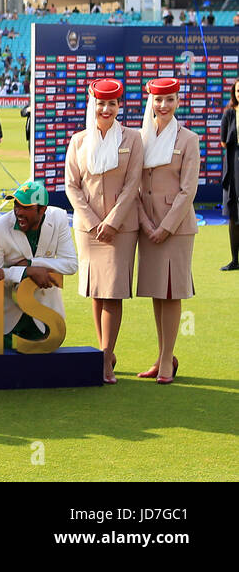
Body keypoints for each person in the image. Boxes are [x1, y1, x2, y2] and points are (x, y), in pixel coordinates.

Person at [65, 79, 143, 384]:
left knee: (113, 293)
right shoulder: (79, 141)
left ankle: (105, 358)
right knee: (96, 292)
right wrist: (93, 221)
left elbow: (132, 184)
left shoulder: (133, 138)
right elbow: (72, 186)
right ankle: (104, 353)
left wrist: (112, 221)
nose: (106, 109)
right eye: (101, 103)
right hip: (88, 230)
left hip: (121, 229)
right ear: (92, 103)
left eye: (112, 104)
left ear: (119, 106)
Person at [135, 78, 199, 384]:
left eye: (170, 99)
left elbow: (188, 191)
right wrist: (148, 225)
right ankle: (164, 357)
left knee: (171, 292)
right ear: (150, 100)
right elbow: (134, 186)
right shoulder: (141, 138)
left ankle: (165, 362)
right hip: (148, 227)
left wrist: (166, 227)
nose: (163, 105)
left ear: (177, 101)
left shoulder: (188, 139)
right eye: (159, 100)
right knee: (157, 293)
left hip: (176, 229)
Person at [0, 180, 77, 349]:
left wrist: (33, 263)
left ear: (43, 209)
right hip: (7, 314)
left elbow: (71, 264)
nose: (19, 212)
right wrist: (26, 271)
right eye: (17, 205)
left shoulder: (59, 217)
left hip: (46, 314)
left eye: (26, 207)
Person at [222, 77, 239, 272]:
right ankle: (235, 260)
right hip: (233, 170)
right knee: (234, 216)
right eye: (238, 91)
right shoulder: (229, 114)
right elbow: (224, 142)